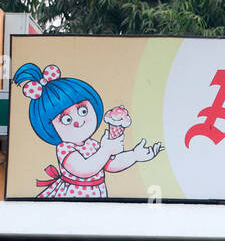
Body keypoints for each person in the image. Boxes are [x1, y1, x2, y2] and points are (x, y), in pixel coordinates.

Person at [12, 62, 162, 198]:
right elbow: (84, 169)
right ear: (50, 128)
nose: (78, 121)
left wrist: (134, 155)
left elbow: (110, 164)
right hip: (71, 198)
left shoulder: (92, 144)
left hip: (97, 195)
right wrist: (106, 149)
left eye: (83, 110)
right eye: (66, 119)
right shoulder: (64, 148)